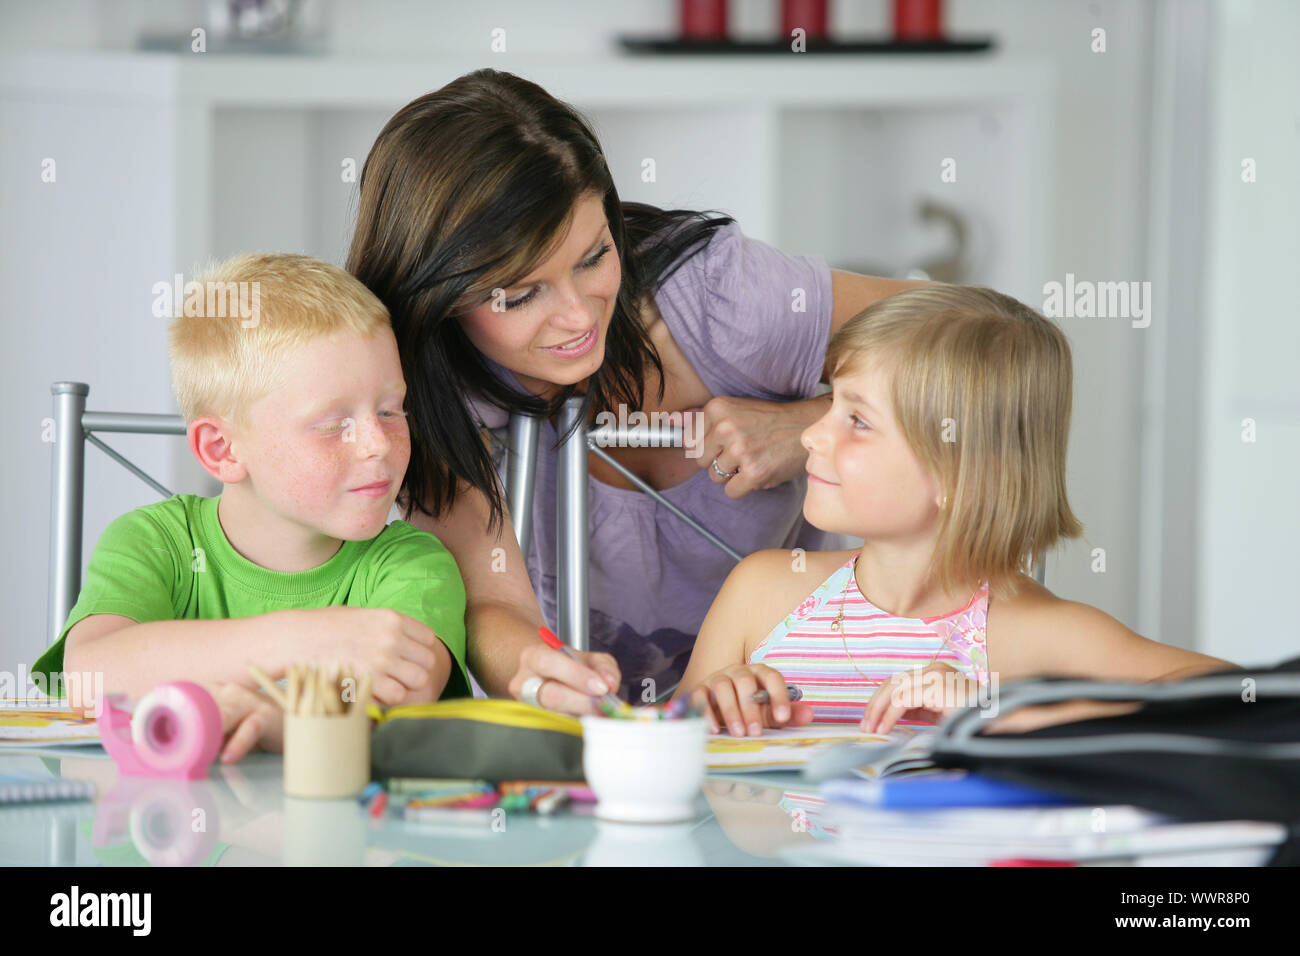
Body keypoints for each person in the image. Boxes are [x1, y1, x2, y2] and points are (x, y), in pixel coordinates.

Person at [347, 68, 925, 713]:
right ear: (440, 298)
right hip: (594, 738)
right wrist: (538, 672)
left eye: (593, 257)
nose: (578, 315)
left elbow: (989, 339)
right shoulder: (430, 379)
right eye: (519, 293)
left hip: (791, 711)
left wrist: (815, 422)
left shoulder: (728, 303)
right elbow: (491, 598)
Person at [675, 286, 1236, 737]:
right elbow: (670, 735)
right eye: (831, 404)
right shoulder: (760, 592)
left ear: (958, 474)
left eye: (858, 421)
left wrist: (1005, 714)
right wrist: (707, 709)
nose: (814, 435)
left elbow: (1238, 698)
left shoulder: (1031, 632)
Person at [33, 253, 469, 761]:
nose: (378, 443)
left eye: (392, 409)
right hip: (157, 828)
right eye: (332, 422)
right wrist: (305, 641)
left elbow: (392, 718)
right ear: (222, 449)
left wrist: (269, 721)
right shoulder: (156, 541)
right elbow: (89, 677)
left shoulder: (413, 563)